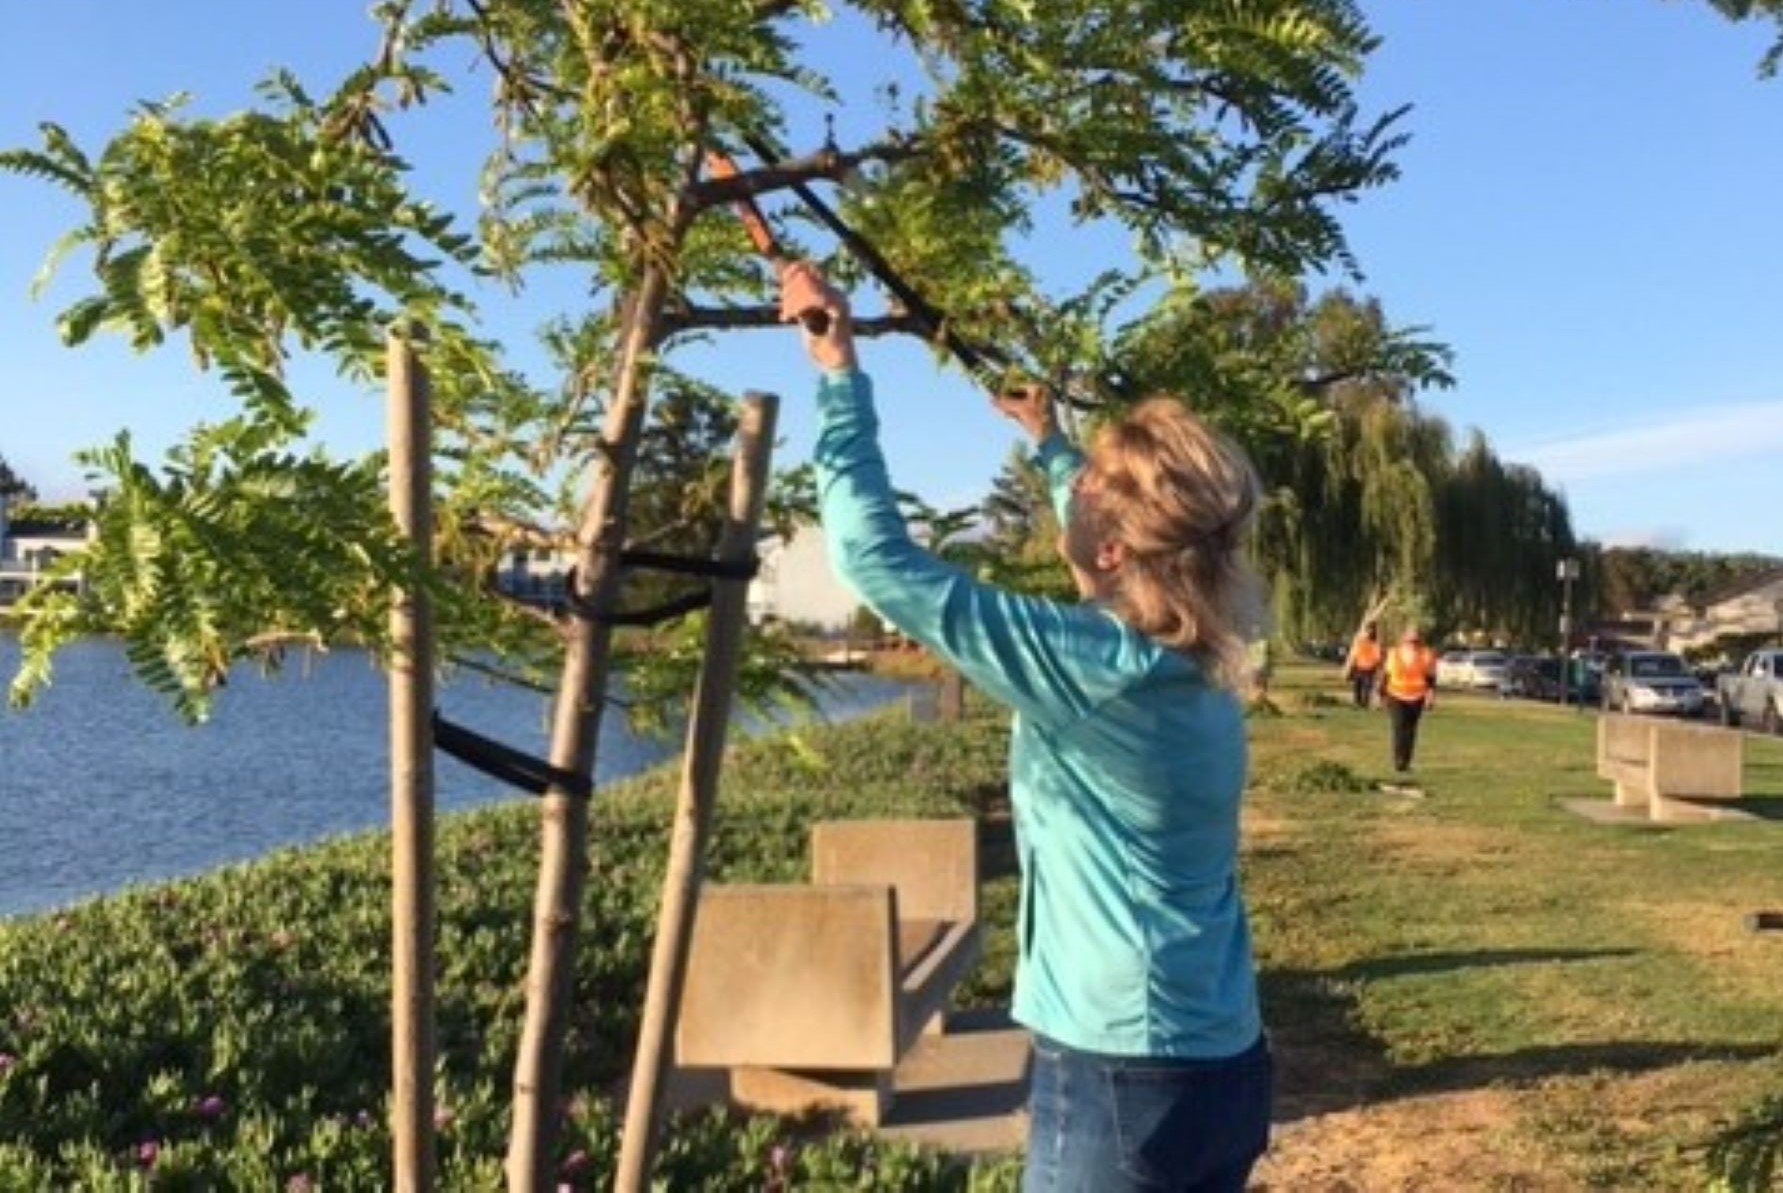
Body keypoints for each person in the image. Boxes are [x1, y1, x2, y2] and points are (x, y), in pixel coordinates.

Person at [780, 262, 1273, 1192]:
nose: (1075, 488)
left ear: (1116, 544)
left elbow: (874, 560)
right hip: (1223, 1065)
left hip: (1120, 1069)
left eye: (1089, 486)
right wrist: (1049, 444)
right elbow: (1117, 545)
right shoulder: (1194, 655)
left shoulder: (1093, 666)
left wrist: (837, 371)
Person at [1380, 626, 1438, 774]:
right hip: (1396, 694)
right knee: (1399, 727)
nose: (1412, 644)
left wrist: (1430, 695)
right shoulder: (1393, 653)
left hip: (1417, 696)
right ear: (1403, 640)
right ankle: (1398, 761)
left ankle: (1406, 761)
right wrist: (1381, 694)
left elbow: (1431, 678)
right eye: (1410, 641)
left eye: (1415, 641)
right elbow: (1386, 675)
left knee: (1411, 730)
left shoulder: (1426, 654)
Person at [1342, 620, 1383, 709]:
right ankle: (1357, 703)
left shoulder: (1375, 644)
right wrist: (1351, 666)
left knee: (1367, 687)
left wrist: (1376, 666)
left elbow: (1378, 657)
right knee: (1357, 686)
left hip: (1369, 668)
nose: (1370, 632)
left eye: (1372, 630)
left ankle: (1364, 704)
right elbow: (1354, 654)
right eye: (1368, 630)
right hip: (1359, 667)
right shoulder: (1360, 642)